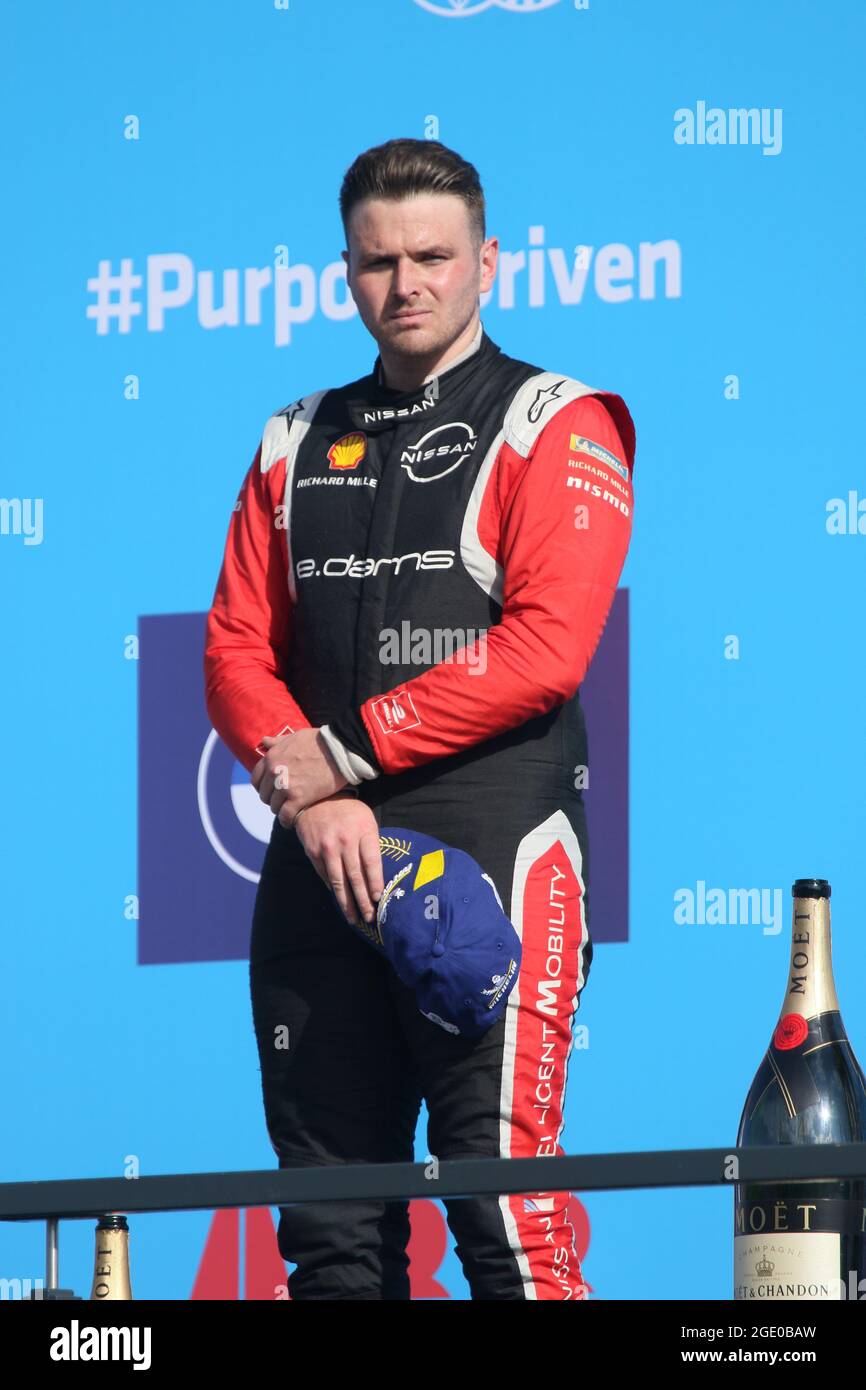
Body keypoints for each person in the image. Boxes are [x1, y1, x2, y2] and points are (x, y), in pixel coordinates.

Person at [204, 137, 636, 1300]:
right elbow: (234, 651)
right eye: (375, 262)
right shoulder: (294, 437)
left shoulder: (558, 420)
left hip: (489, 860)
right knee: (332, 1241)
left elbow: (543, 653)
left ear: (487, 261)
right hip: (316, 870)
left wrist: (333, 760)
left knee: (504, 1212)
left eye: (432, 257)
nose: (405, 285)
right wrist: (312, 802)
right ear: (342, 271)